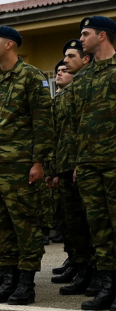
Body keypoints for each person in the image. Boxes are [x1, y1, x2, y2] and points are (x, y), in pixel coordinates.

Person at [0, 26, 53, 306]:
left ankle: (26, 283)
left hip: (20, 166)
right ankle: (7, 278)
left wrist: (39, 161)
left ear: (10, 45)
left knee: (24, 224)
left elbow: (43, 122)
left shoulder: (32, 77)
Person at [69, 16, 116, 310]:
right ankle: (108, 285)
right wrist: (77, 161)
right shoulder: (83, 77)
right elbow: (76, 124)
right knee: (99, 227)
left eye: (86, 34)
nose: (81, 38)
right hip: (88, 163)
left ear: (102, 35)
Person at [54, 40, 94, 295]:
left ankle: (97, 273)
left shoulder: (89, 88)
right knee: (74, 224)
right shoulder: (66, 96)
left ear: (85, 60)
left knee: (93, 224)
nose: (64, 64)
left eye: (70, 58)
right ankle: (83, 270)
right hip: (67, 166)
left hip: (88, 163)